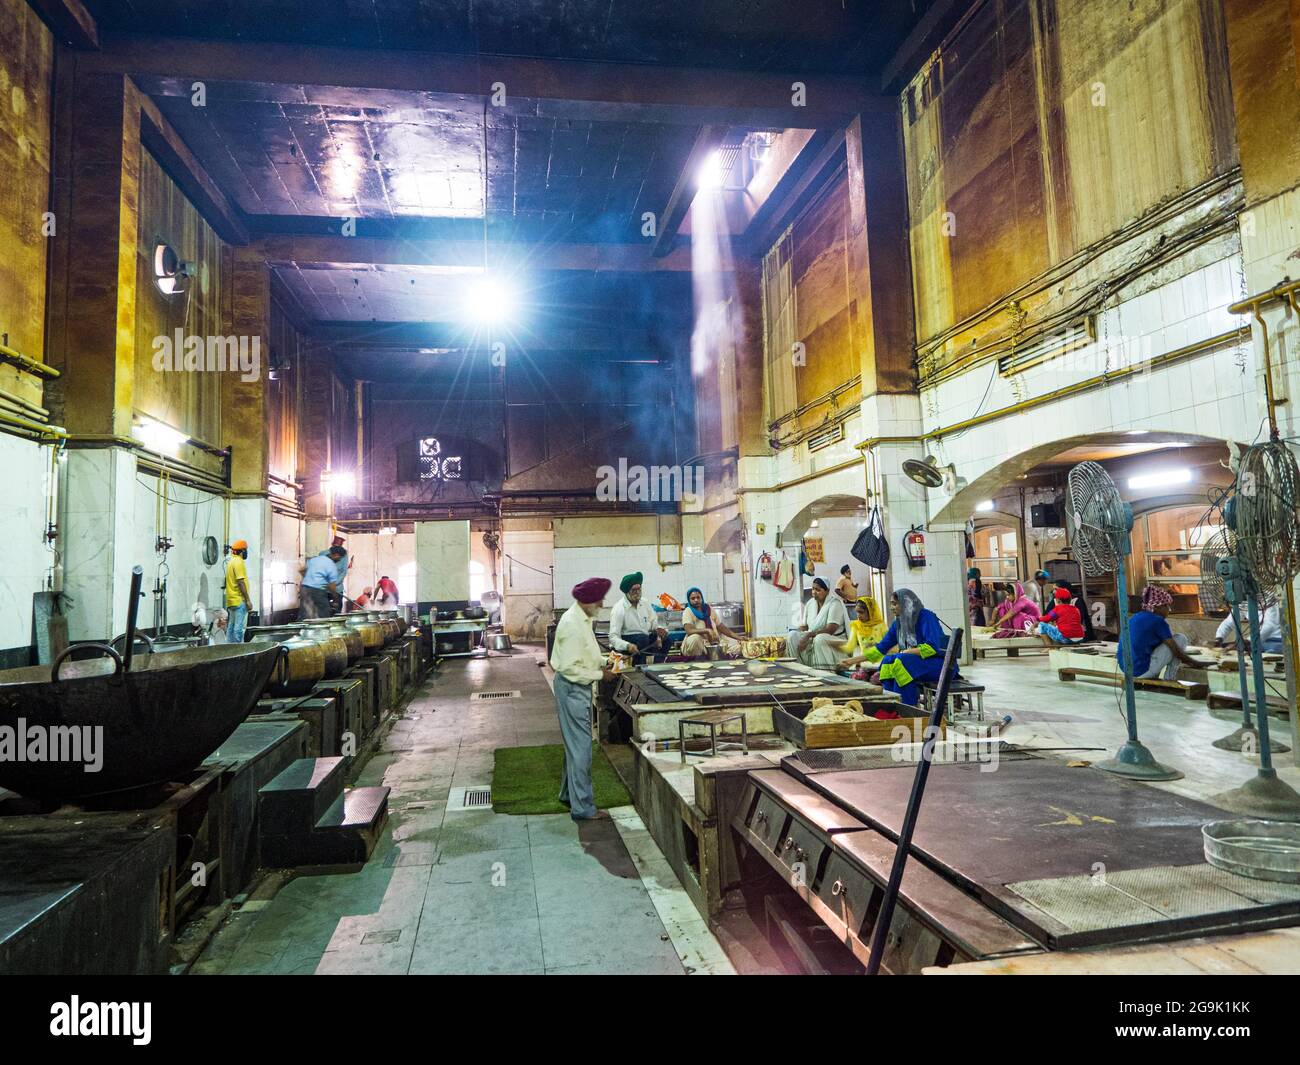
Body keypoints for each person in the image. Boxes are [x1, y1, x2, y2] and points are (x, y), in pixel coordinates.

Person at [549, 578, 617, 821]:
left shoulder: (583, 618)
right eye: (599, 599)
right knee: (581, 749)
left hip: (578, 688)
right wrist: (601, 674)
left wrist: (604, 660)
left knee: (574, 746)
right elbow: (569, 668)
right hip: (572, 689)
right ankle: (583, 808)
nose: (601, 603)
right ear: (587, 600)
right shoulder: (571, 625)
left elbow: (587, 652)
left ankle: (568, 795)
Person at [860, 589, 955, 707]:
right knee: (887, 661)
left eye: (894, 603)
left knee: (902, 661)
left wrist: (907, 652)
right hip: (916, 663)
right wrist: (852, 661)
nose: (891, 607)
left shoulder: (925, 616)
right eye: (891, 604)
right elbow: (882, 647)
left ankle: (905, 706)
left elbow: (932, 647)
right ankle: (890, 705)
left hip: (940, 664)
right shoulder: (899, 623)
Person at [1123, 585, 1199, 680]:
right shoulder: (1157, 621)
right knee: (1180, 639)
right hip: (1144, 671)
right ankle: (1170, 678)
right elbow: (1176, 651)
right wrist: (1195, 663)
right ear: (1157, 607)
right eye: (1166, 606)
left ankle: (1155, 676)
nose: (1169, 610)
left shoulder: (1138, 618)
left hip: (1130, 670)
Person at [787, 577, 850, 669]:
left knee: (820, 639)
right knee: (792, 635)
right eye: (813, 588)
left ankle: (825, 672)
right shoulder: (810, 604)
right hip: (813, 638)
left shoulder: (835, 604)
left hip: (834, 642)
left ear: (827, 591)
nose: (814, 592)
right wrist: (801, 635)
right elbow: (804, 626)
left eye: (818, 589)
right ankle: (800, 669)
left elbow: (830, 630)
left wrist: (809, 635)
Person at [608, 572, 668, 663]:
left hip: (644, 639)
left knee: (667, 638)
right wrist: (627, 645)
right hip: (627, 643)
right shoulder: (619, 608)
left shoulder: (645, 603)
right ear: (627, 592)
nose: (637, 593)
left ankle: (657, 667)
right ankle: (639, 669)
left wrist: (659, 631)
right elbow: (613, 637)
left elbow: (653, 623)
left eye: (639, 589)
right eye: (633, 590)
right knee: (642, 638)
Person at [681, 587, 742, 659]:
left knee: (737, 645)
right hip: (699, 644)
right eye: (693, 598)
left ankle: (715, 653)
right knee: (695, 638)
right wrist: (707, 630)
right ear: (689, 600)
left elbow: (722, 627)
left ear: (701, 598)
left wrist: (739, 638)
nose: (696, 600)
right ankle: (698, 659)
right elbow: (689, 630)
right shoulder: (688, 611)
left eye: (698, 597)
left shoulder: (708, 609)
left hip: (714, 642)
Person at [836, 595, 888, 671]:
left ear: (871, 612)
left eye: (861, 612)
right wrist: (835, 645)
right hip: (864, 665)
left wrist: (877, 645)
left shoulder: (881, 626)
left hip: (881, 665)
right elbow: (849, 647)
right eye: (857, 612)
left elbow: (893, 648)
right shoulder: (856, 626)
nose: (858, 616)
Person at [1215, 602, 1283, 653]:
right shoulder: (1242, 603)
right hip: (1259, 641)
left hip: (1278, 640)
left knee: (1269, 651)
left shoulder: (1270, 601)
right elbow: (1229, 623)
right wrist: (1219, 639)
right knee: (1227, 648)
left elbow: (1270, 626)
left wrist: (1247, 641)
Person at [301, 545, 346, 619]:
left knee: (305, 613)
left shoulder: (315, 559)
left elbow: (302, 571)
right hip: (317, 591)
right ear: (336, 555)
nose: (340, 560)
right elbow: (332, 586)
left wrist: (310, 580)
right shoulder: (331, 565)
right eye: (340, 557)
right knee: (324, 613)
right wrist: (335, 600)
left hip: (304, 589)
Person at [224, 539, 254, 643]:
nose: (246, 553)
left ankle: (228, 650)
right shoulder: (238, 562)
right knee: (239, 628)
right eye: (245, 550)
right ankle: (239, 651)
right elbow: (241, 582)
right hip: (239, 600)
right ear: (242, 551)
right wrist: (248, 600)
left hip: (231, 601)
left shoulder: (230, 562)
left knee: (231, 628)